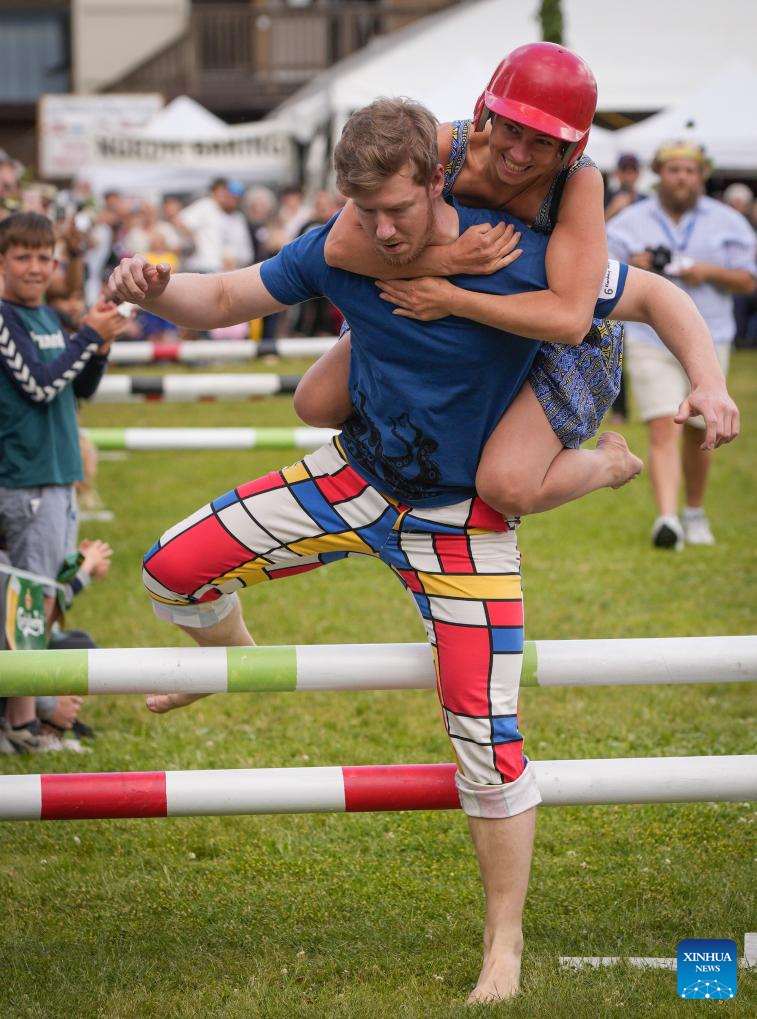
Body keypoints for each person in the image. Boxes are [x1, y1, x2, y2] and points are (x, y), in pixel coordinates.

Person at [109, 99, 737, 1004]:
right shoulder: (342, 246)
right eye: (363, 211)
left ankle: (503, 947)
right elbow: (219, 299)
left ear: (439, 177)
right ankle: (229, 656)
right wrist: (152, 285)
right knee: (170, 570)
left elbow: (653, 297)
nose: (381, 231)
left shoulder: (523, 253)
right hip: (354, 477)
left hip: (462, 524)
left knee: (487, 742)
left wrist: (707, 381)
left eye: (397, 210)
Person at [299, 43, 641, 518]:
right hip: (437, 302)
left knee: (506, 486)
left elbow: (570, 319)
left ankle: (609, 463)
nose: (519, 153)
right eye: (512, 129)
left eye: (543, 141)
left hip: (548, 334)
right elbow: (339, 246)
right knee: (315, 403)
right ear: (486, 113)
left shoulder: (579, 181)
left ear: (571, 148)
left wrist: (453, 298)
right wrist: (450, 259)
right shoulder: (444, 145)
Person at [0, 211, 123, 752]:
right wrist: (87, 335)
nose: (35, 267)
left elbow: (80, 388)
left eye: (43, 257)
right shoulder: (4, 318)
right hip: (24, 478)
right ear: (2, 261)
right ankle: (23, 724)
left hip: (54, 475)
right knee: (29, 603)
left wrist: (100, 346)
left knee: (38, 600)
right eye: (22, 256)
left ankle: (25, 717)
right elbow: (39, 385)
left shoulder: (48, 316)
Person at [607, 142, 756, 549]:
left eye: (690, 171)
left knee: (700, 430)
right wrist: (634, 269)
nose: (682, 178)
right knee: (663, 425)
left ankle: (694, 510)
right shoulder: (630, 221)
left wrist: (708, 272)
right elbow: (601, 271)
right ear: (659, 173)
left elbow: (748, 279)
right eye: (674, 170)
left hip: (711, 336)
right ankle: (667, 519)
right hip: (649, 337)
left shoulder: (728, 221)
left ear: (701, 175)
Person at [604, 152, 646, 221]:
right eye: (624, 170)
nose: (628, 176)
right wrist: (613, 209)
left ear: (638, 174)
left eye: (632, 171)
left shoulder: (646, 200)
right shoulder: (605, 197)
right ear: (616, 173)